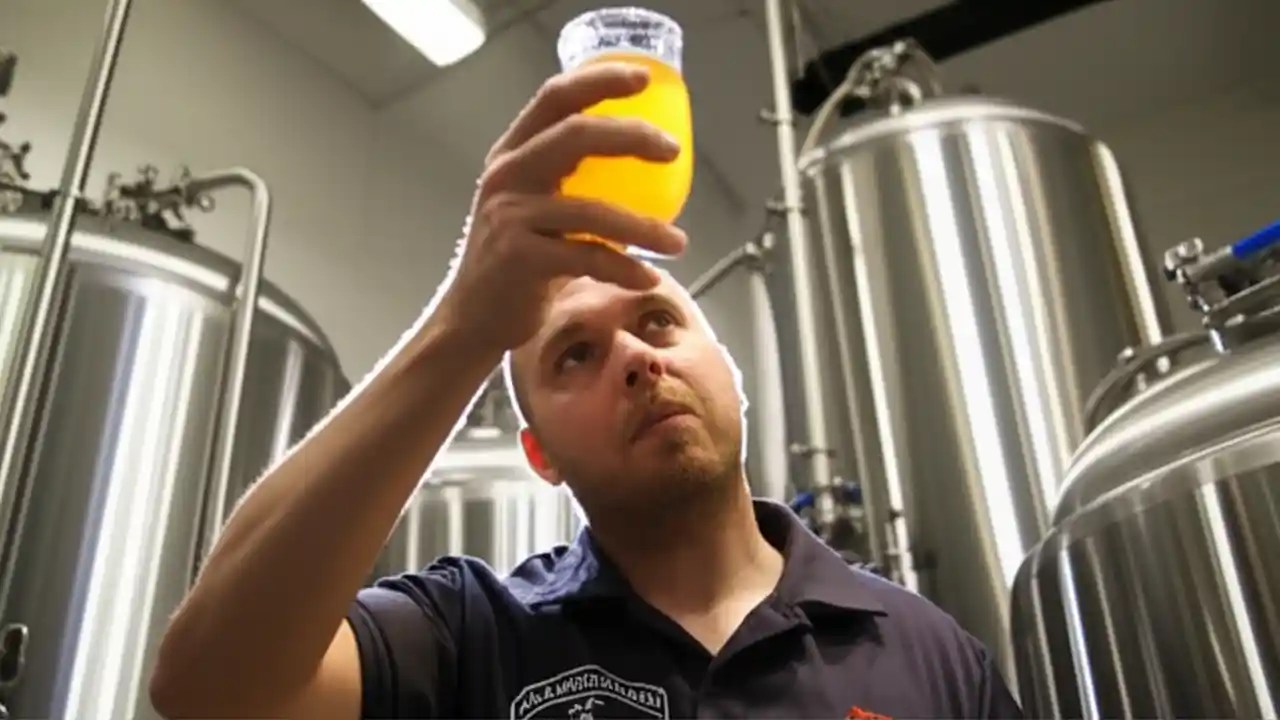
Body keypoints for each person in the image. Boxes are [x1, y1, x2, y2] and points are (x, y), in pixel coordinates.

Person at [149, 61, 1023, 720]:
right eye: (574, 355)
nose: (636, 361)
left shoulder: (924, 647)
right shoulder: (473, 631)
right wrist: (465, 321)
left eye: (657, 324)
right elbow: (208, 686)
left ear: (731, 378)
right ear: (541, 456)